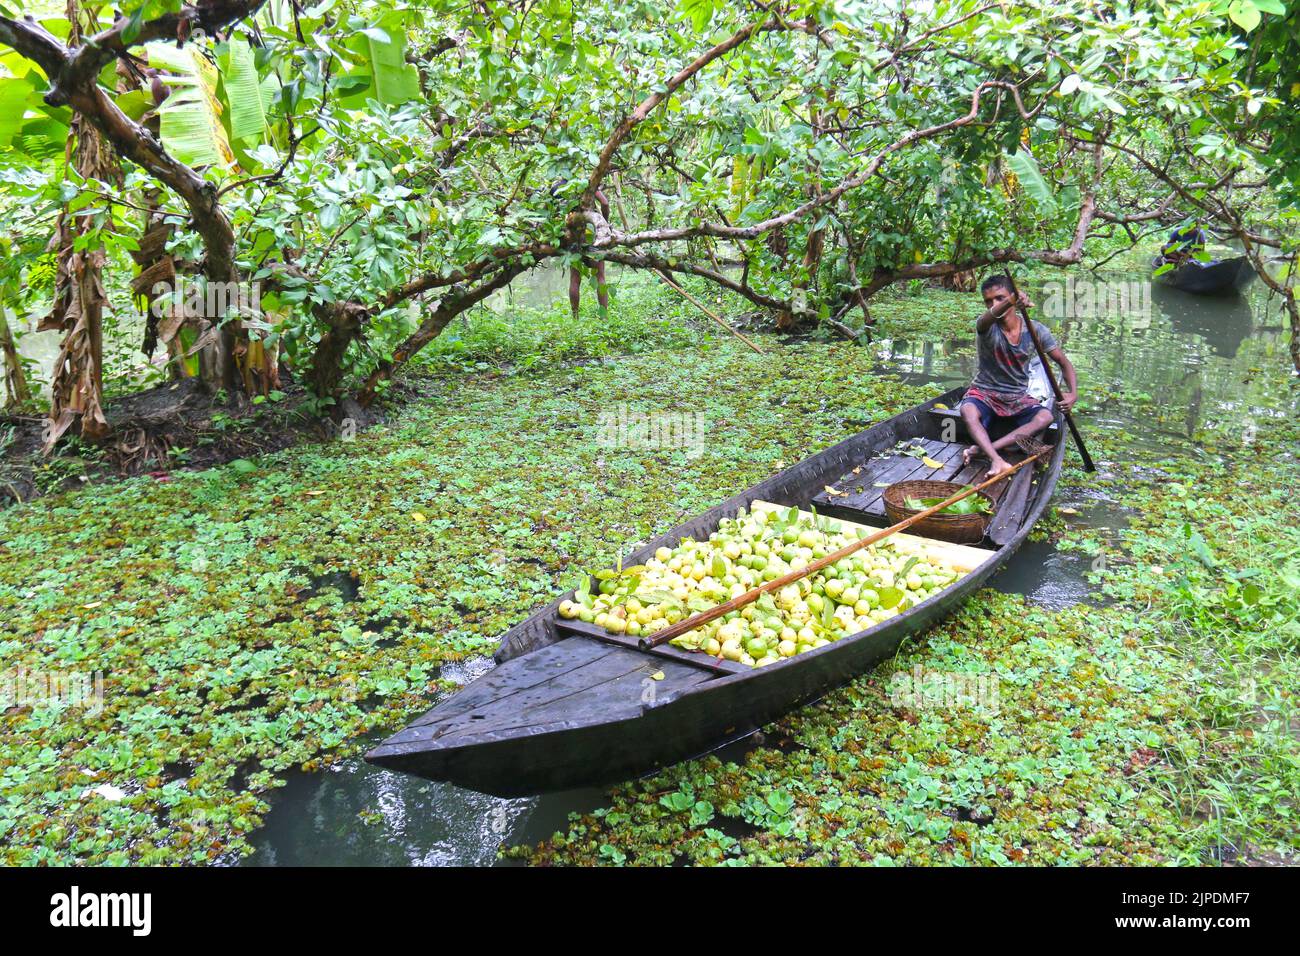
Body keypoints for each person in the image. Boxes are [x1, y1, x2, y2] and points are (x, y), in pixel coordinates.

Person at [958, 274, 1078, 478]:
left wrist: (1073, 394)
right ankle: (997, 459)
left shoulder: (1036, 330)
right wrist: (1011, 300)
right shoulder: (986, 326)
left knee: (1046, 416)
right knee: (967, 410)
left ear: (1011, 297)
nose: (993, 305)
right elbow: (987, 317)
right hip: (984, 393)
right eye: (988, 301)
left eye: (999, 298)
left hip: (1016, 397)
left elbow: (1064, 363)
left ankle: (983, 448)